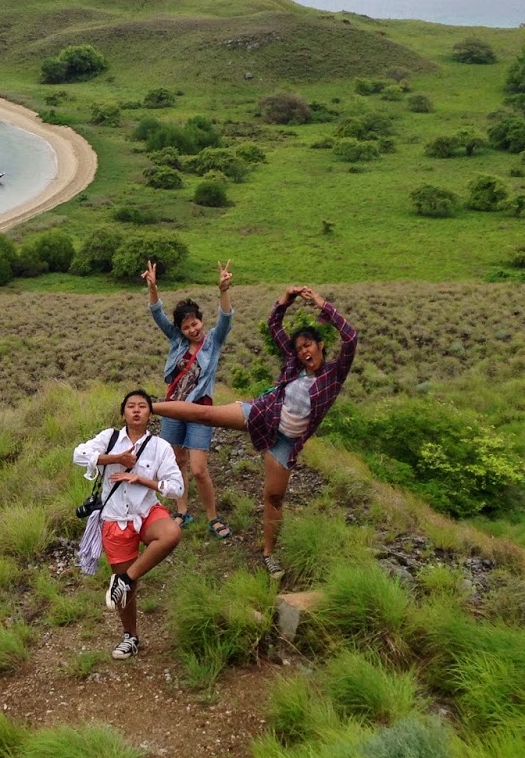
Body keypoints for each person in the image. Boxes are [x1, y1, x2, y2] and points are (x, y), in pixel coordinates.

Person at [153, 286, 357, 577]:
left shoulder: (334, 374)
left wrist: (321, 303)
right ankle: (149, 406)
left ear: (321, 345)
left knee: (273, 497)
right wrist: (284, 301)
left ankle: (269, 554)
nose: (303, 351)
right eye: (299, 348)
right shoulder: (293, 363)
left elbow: (351, 336)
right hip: (263, 413)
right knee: (205, 414)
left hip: (285, 441)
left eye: (308, 345)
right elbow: (274, 325)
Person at [72, 389, 184, 660]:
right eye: (131, 406)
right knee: (127, 593)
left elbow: (177, 487)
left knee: (171, 533)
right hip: (114, 517)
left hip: (145, 511)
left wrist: (142, 480)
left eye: (142, 406)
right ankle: (130, 637)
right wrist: (116, 459)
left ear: (150, 414)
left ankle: (124, 579)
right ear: (123, 412)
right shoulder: (109, 438)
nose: (136, 410)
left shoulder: (160, 447)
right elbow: (78, 454)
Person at [142, 258, 234, 538]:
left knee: (199, 469)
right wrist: (153, 288)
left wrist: (223, 290)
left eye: (195, 324)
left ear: (201, 321)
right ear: (180, 330)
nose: (192, 330)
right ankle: (182, 511)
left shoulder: (213, 341)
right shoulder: (177, 341)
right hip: (173, 408)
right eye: (186, 327)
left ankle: (213, 517)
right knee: (177, 461)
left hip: (200, 410)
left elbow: (226, 317)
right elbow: (157, 313)